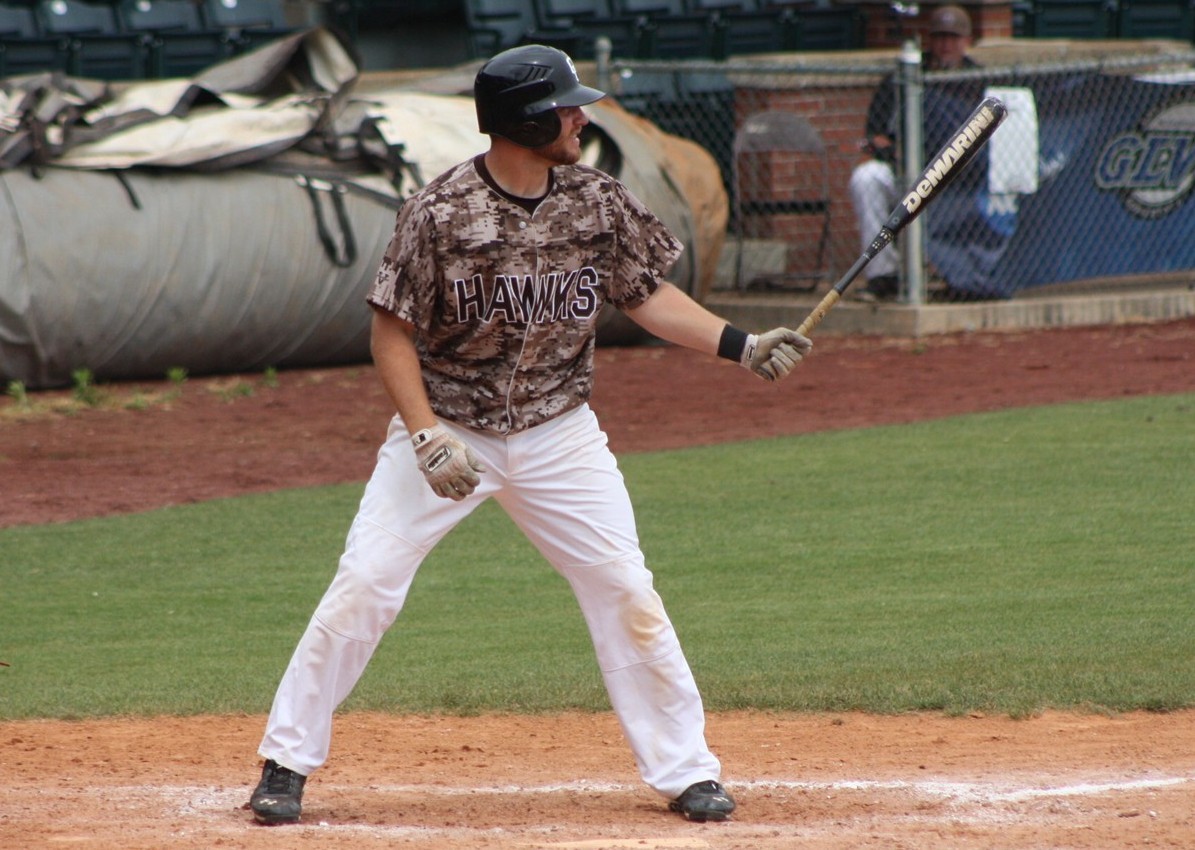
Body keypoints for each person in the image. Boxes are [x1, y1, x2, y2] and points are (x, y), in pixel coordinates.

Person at [248, 44, 812, 827]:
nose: (581, 116)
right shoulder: (438, 211)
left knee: (624, 589)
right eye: (567, 106)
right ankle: (285, 762)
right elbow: (389, 333)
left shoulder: (596, 199)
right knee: (365, 584)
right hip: (448, 432)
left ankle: (686, 771)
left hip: (559, 435)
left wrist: (740, 346)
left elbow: (646, 297)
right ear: (523, 119)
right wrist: (424, 437)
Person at [847, 4, 980, 301]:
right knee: (866, 177)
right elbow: (877, 133)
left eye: (953, 38)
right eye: (940, 37)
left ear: (966, 40)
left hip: (955, 184)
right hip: (904, 173)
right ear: (929, 40)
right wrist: (886, 148)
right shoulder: (904, 76)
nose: (946, 45)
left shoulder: (978, 80)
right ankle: (883, 275)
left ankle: (961, 278)